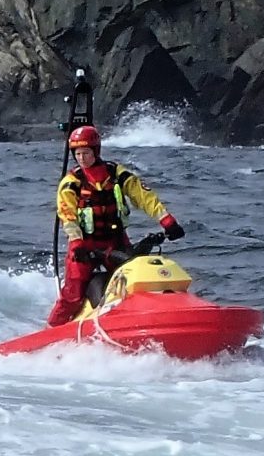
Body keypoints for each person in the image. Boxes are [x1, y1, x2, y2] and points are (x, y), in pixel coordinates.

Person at [48, 124, 186, 325]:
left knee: (134, 281)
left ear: (96, 151)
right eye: (77, 154)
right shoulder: (71, 183)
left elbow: (143, 196)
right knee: (73, 295)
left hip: (116, 242)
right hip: (85, 247)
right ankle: (53, 329)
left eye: (85, 153)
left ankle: (142, 318)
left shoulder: (116, 174)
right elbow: (67, 215)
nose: (81, 158)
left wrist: (167, 220)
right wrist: (77, 243)